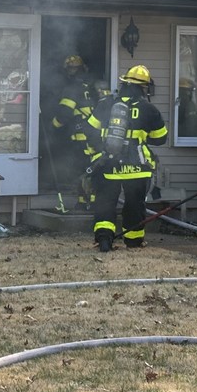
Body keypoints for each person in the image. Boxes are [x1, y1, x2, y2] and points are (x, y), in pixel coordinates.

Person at [85, 65, 168, 252]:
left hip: (108, 163)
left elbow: (89, 130)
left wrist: (99, 150)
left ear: (124, 83)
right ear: (143, 88)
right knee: (134, 204)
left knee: (105, 202)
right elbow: (160, 138)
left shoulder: (106, 104)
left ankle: (104, 240)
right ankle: (134, 241)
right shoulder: (149, 109)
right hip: (137, 167)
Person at [51, 55, 96, 209]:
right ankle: (93, 202)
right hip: (99, 137)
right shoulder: (93, 86)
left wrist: (53, 125)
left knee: (82, 170)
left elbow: (64, 114)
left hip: (81, 138)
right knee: (94, 169)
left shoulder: (72, 89)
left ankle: (84, 204)